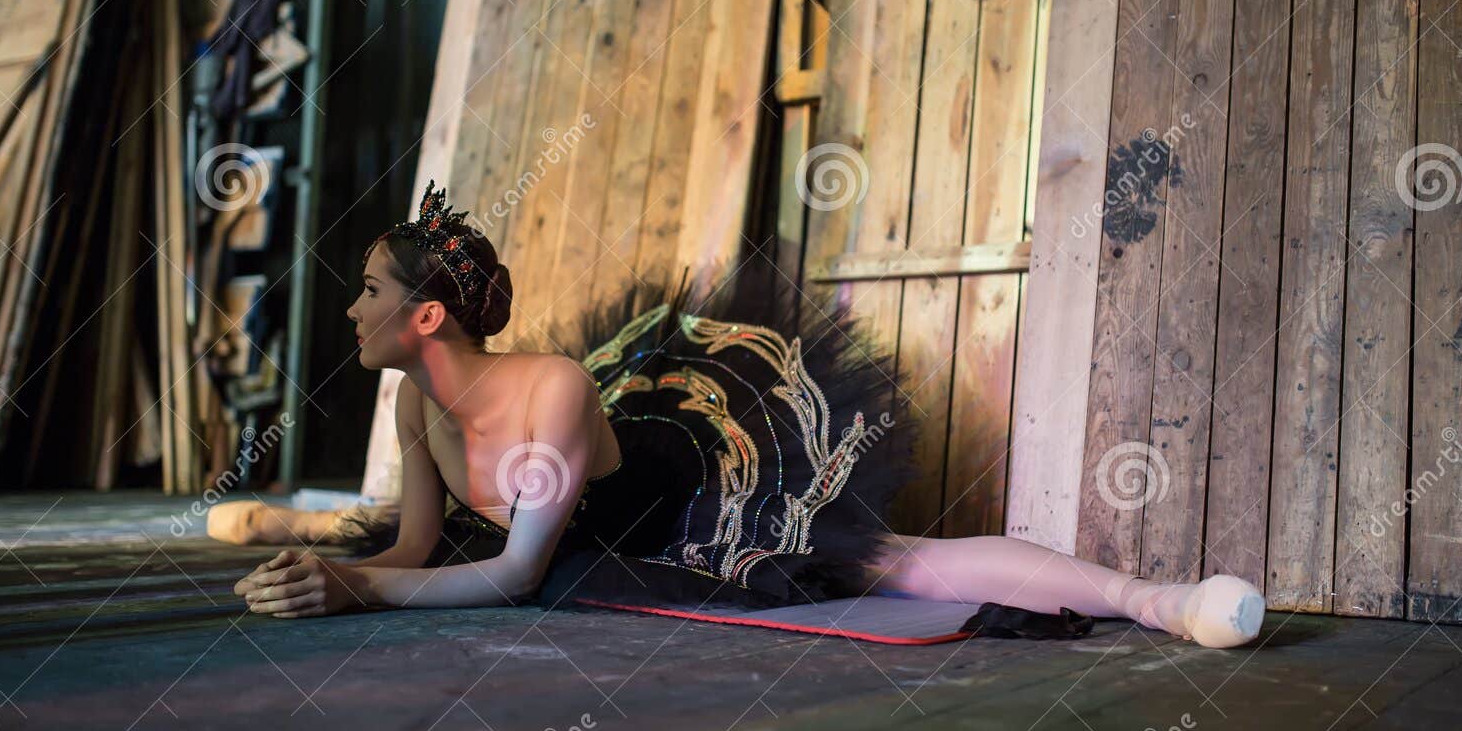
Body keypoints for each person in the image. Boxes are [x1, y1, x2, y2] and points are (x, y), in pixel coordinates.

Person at [223, 180, 1266, 648]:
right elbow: (417, 541)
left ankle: (1152, 597)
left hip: (695, 494)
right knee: (369, 534)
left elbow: (512, 575)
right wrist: (347, 567)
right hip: (565, 534)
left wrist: (358, 588)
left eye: (368, 290)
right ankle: (299, 520)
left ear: (428, 312)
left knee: (894, 562)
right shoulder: (412, 396)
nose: (353, 308)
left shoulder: (550, 391)